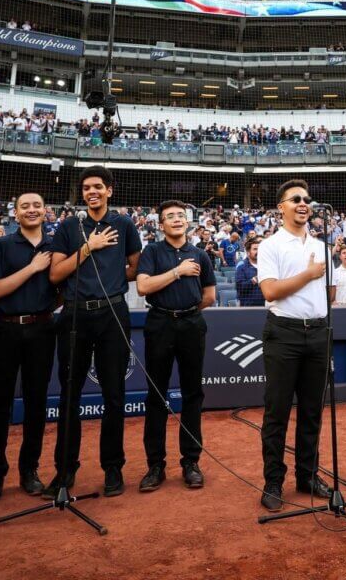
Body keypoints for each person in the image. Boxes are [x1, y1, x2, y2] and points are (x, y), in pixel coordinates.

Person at [44, 166, 142, 500]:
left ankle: (113, 468)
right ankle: (65, 470)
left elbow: (135, 267)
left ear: (110, 190)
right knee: (69, 395)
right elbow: (56, 273)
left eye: (98, 187)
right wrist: (90, 247)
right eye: (87, 188)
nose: (92, 192)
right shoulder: (70, 226)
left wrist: (112, 279)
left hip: (113, 312)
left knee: (114, 394)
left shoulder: (125, 224)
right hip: (74, 316)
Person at [256, 179, 333, 512]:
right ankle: (274, 481)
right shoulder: (271, 245)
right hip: (283, 333)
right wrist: (309, 274)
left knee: (312, 411)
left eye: (307, 199)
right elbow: (270, 291)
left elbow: (327, 294)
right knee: (277, 413)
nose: (304, 203)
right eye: (296, 199)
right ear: (281, 207)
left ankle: (308, 476)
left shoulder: (322, 245)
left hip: (317, 333)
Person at [0, 192, 58, 504]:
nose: (32, 210)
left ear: (45, 210)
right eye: (25, 206)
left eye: (37, 205)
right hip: (5, 328)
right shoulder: (1, 245)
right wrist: (33, 267)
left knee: (37, 403)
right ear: (15, 213)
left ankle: (30, 470)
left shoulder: (56, 245)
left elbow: (61, 289)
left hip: (42, 328)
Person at [135, 199, 217, 493]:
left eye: (181, 215)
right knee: (156, 395)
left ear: (188, 221)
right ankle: (155, 465)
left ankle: (190, 462)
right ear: (161, 224)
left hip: (191, 324)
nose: (177, 219)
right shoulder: (152, 251)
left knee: (193, 394)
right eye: (170, 216)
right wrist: (177, 272)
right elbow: (143, 286)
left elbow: (209, 295)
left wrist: (188, 312)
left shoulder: (200, 254)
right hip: (159, 323)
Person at [234, 236, 265, 306]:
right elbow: (239, 287)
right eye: (255, 249)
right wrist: (254, 280)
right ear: (248, 252)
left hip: (265, 307)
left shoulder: (267, 266)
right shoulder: (241, 266)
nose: (258, 251)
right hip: (248, 307)